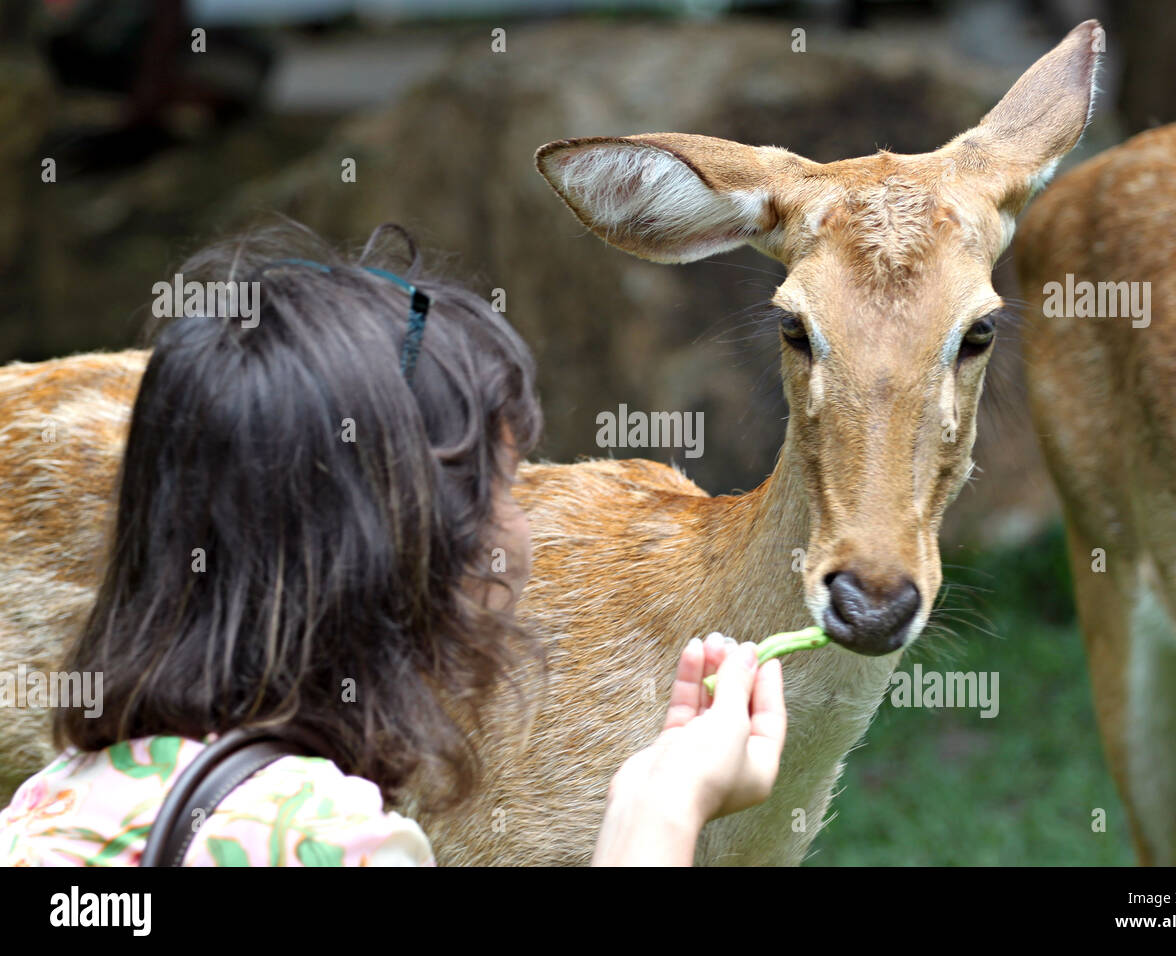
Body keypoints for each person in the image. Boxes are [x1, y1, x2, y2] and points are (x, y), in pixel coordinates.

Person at [0, 221, 786, 866]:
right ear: (409, 549)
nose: (527, 521)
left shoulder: (51, 808)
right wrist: (662, 811)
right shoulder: (331, 845)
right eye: (506, 485)